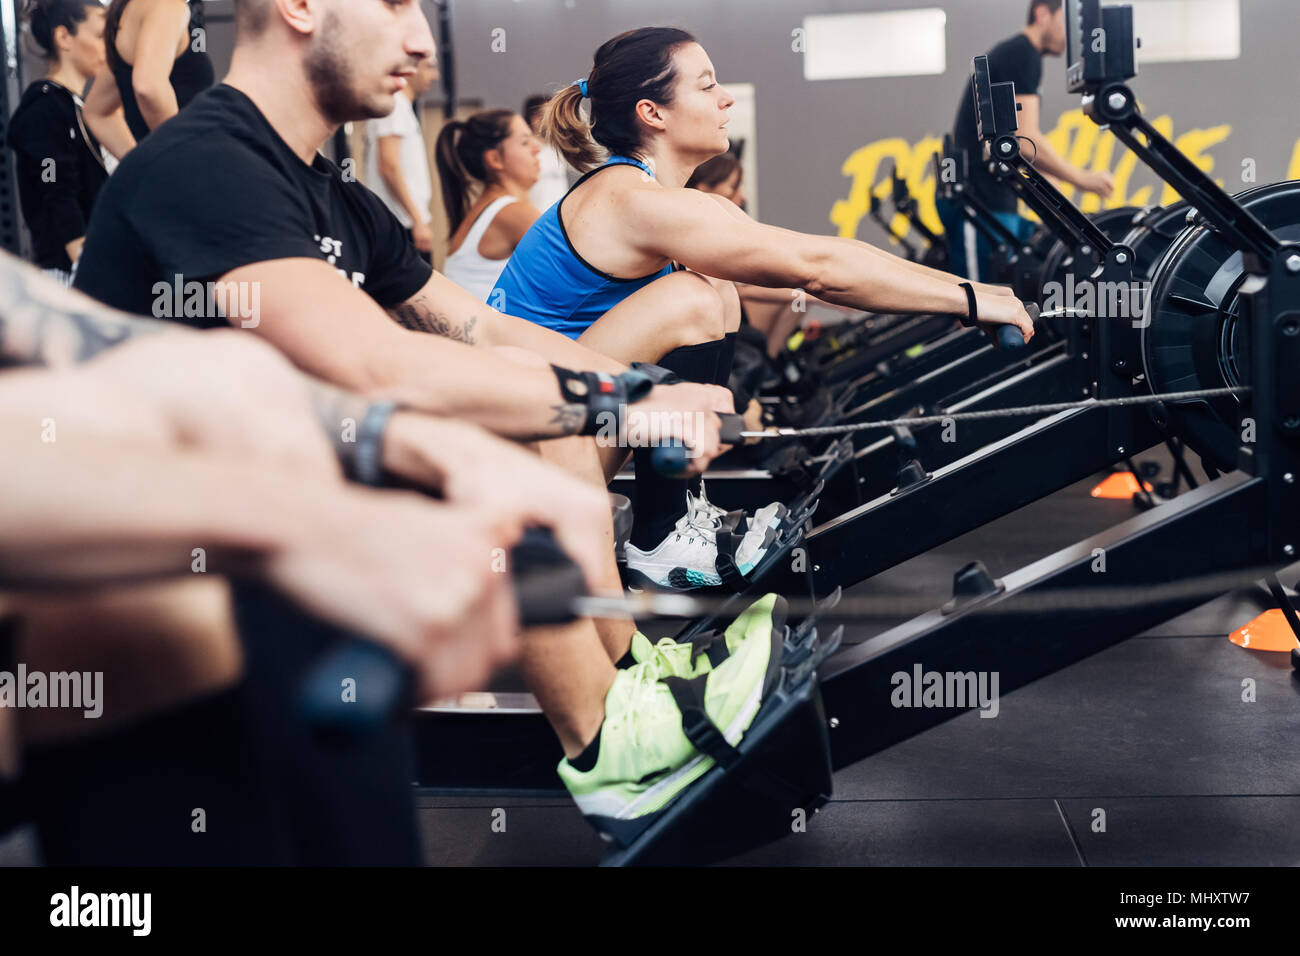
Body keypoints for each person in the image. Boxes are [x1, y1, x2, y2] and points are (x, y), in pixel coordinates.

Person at [68, 0, 785, 846]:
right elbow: (375, 362)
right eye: (395, 5)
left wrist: (627, 382)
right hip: (145, 599)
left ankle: (627, 689)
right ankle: (606, 749)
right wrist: (629, 402)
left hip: (272, 547)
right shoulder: (204, 164)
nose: (419, 41)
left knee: (536, 425)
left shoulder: (333, 190)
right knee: (503, 448)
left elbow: (478, 328)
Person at [495, 27, 1034, 584]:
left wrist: (970, 295)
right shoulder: (631, 200)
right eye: (707, 87)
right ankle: (662, 534)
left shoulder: (664, 200)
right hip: (516, 456)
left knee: (716, 294)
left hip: (553, 430)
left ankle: (679, 515)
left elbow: (817, 260)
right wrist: (965, 299)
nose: (725, 98)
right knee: (693, 300)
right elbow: (818, 270)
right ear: (653, 113)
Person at [937, 0, 1115, 281]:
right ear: (1042, 14)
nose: (1072, 36)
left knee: (998, 297)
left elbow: (1018, 143)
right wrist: (1083, 179)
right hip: (980, 199)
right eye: (1066, 23)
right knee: (977, 303)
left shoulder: (1021, 55)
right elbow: (1024, 137)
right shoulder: (1022, 54)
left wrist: (1052, 185)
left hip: (992, 199)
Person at [687, 150, 857, 360]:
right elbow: (743, 292)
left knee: (799, 299)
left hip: (733, 310)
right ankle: (767, 367)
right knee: (799, 295)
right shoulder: (696, 233)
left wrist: (811, 295)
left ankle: (771, 365)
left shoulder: (722, 228)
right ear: (703, 188)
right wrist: (815, 296)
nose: (742, 197)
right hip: (721, 315)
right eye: (733, 187)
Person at [7, 0, 110, 285]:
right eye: (101, 36)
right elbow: (58, 195)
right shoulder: (43, 108)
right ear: (64, 37)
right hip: (70, 274)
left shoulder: (81, 106)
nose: (108, 48)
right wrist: (88, 266)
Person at [82, 0, 215, 157]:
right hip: (187, 166)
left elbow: (96, 111)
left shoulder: (130, 11)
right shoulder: (166, 7)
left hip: (169, 169)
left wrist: (139, 163)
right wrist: (181, 156)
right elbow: (148, 87)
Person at [436, 108, 543, 301]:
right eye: (525, 142)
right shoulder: (511, 213)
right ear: (494, 159)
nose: (538, 148)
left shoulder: (492, 208)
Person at [365, 53, 440, 263]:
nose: (435, 75)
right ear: (410, 70)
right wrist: (417, 220)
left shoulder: (402, 106)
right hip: (401, 223)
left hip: (405, 222)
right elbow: (388, 166)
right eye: (429, 67)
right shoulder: (395, 105)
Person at [523, 92, 571, 211]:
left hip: (558, 223)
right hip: (534, 224)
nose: (556, 121)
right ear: (536, 120)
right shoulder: (524, 153)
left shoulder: (557, 150)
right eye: (550, 116)